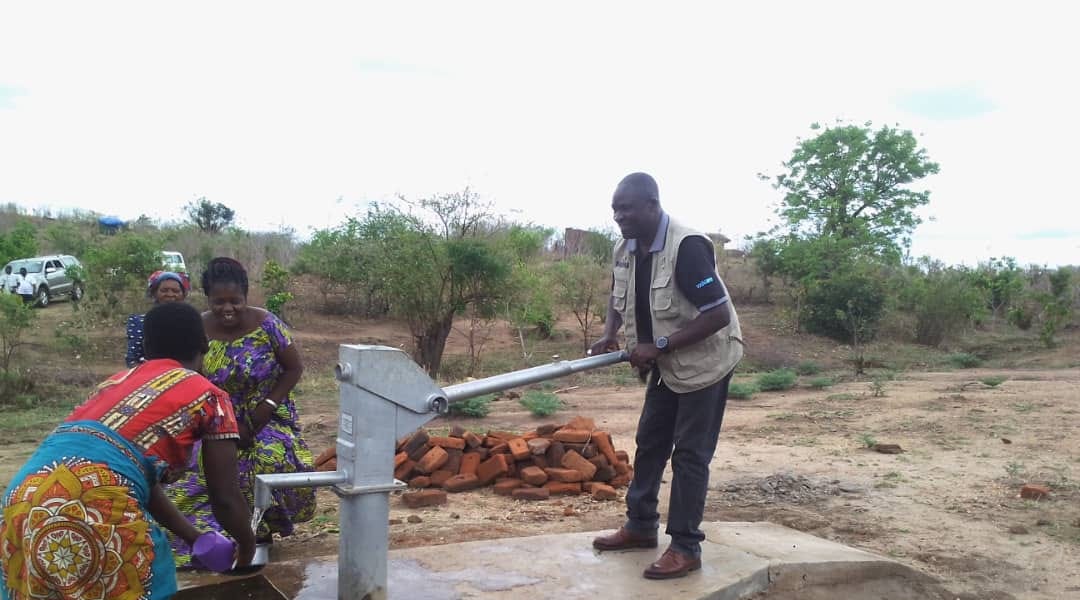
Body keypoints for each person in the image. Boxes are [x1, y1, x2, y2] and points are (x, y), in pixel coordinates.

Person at [0, 302, 256, 600]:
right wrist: (247, 546)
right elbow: (224, 497)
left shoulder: (113, 384)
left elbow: (131, 474)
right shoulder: (210, 396)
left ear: (146, 347)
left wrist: (195, 537)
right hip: (99, 504)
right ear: (204, 344)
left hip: (22, 503)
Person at [589, 173, 744, 580]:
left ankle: (686, 546)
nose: (619, 216)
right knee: (650, 442)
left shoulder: (687, 246)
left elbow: (718, 314)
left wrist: (657, 347)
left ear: (652, 205)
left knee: (690, 454)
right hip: (666, 361)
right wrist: (610, 333)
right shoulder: (625, 247)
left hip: (706, 361)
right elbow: (616, 293)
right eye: (615, 209)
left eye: (628, 208)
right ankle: (641, 527)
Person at [166, 257, 315, 567]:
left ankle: (258, 533)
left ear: (246, 297)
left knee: (269, 459)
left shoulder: (267, 324)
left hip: (266, 415)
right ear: (207, 299)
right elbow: (185, 377)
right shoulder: (197, 328)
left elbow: (294, 367)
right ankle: (210, 540)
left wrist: (265, 409)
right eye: (219, 301)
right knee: (194, 472)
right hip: (212, 419)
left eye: (236, 300)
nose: (228, 308)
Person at [126, 271, 191, 367]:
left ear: (183, 295)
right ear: (154, 293)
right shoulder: (139, 322)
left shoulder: (190, 323)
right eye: (164, 290)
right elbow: (132, 359)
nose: (170, 294)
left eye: (176, 291)